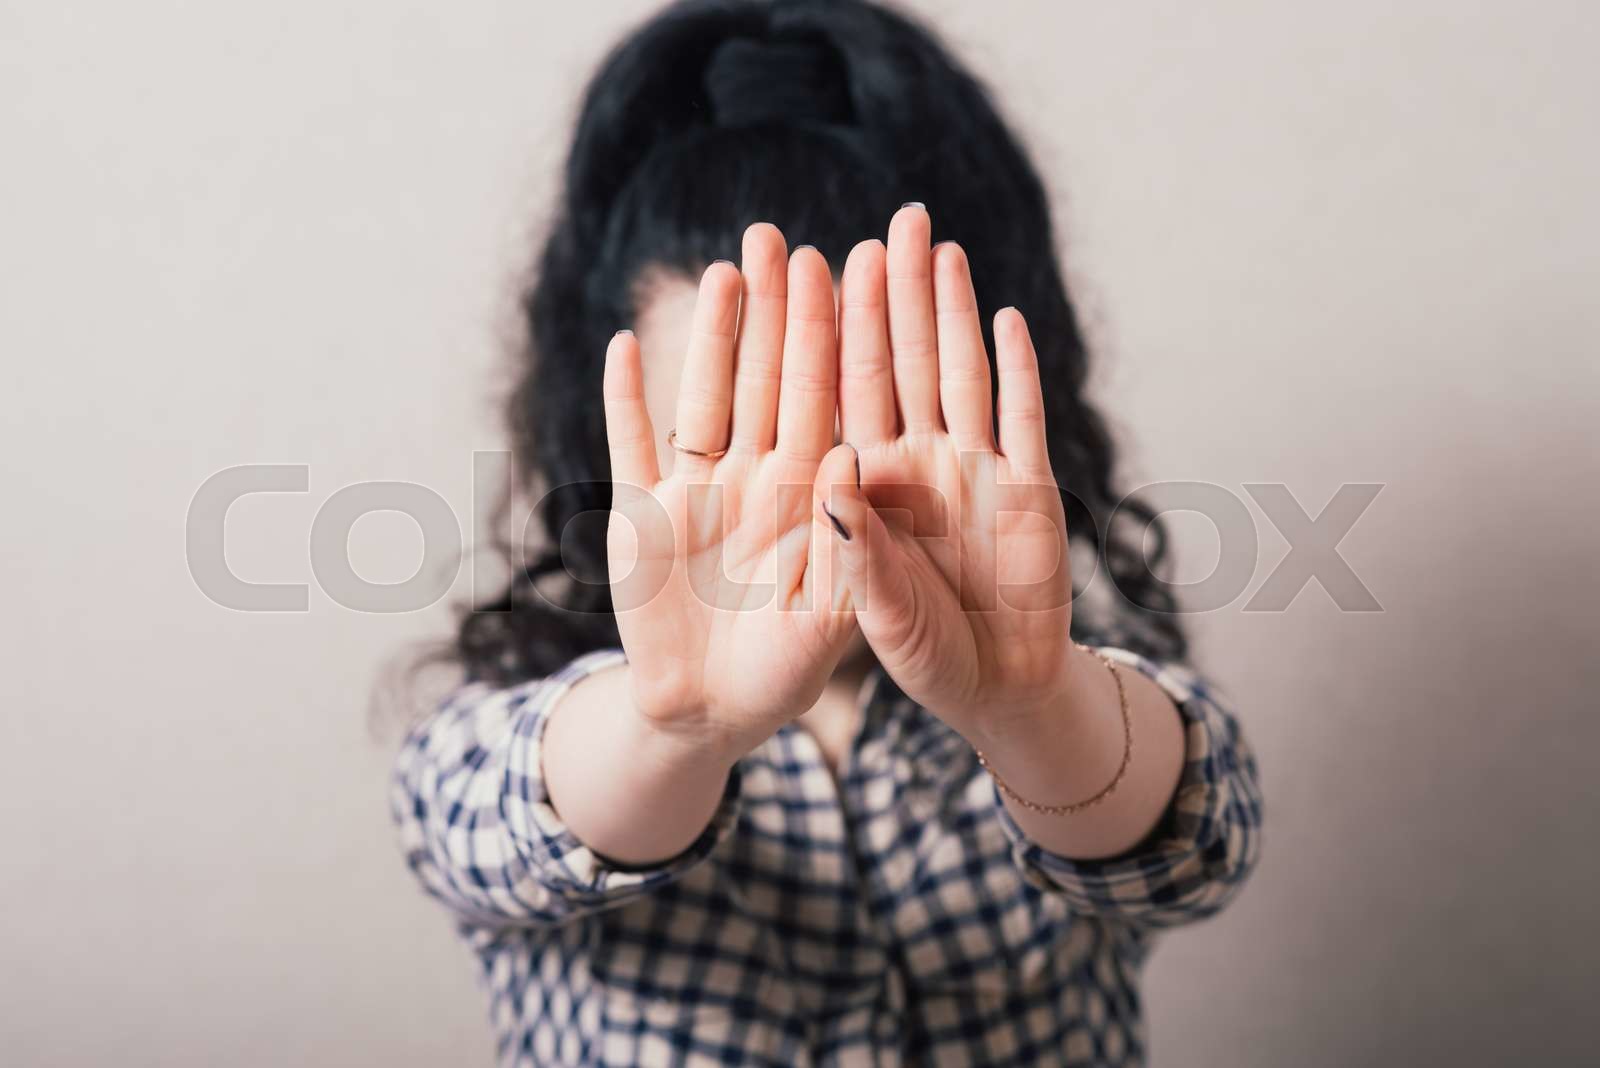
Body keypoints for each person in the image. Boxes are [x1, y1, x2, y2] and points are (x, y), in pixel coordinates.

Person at [391, 1, 1262, 1064]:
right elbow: (478, 826)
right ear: (612, 440)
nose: (819, 495)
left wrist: (1032, 707)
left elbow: (1194, 845)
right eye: (729, 442)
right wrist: (674, 727)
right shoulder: (507, 736)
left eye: (876, 425)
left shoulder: (1087, 700)